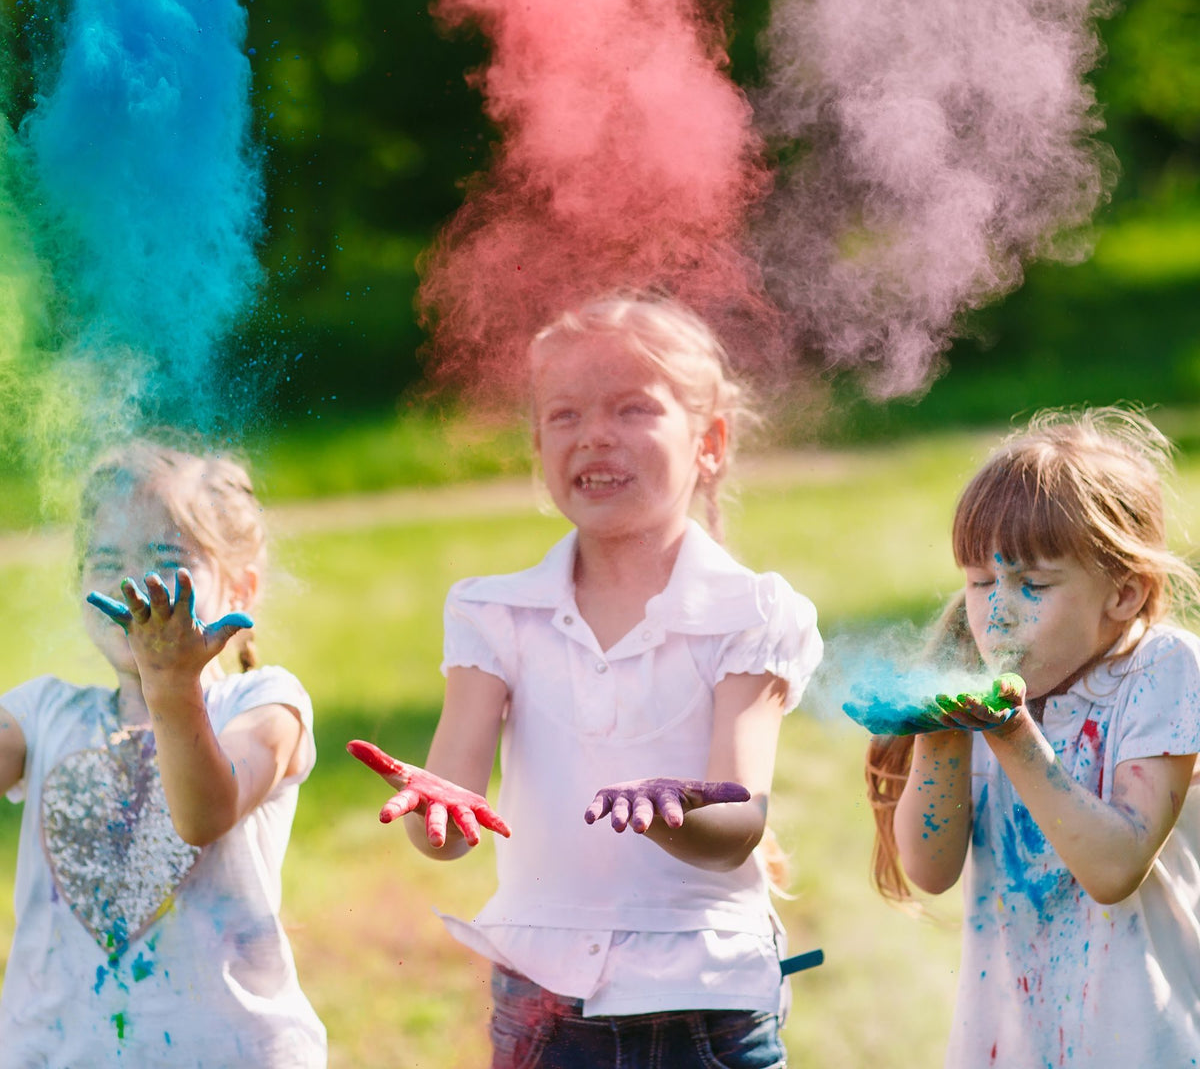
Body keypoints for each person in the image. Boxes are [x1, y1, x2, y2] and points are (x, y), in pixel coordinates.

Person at [351, 294, 823, 1068]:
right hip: (542, 1005)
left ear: (709, 442)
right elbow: (448, 822)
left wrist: (667, 811)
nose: (595, 435)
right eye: (564, 415)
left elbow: (738, 826)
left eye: (633, 408)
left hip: (703, 1004)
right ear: (538, 445)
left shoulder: (753, 613)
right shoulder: (493, 612)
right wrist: (434, 808)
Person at [866, 408, 1200, 1067]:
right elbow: (929, 872)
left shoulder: (1164, 670)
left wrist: (1012, 736)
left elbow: (1112, 869)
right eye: (981, 583)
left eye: (1033, 585)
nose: (996, 612)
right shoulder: (980, 695)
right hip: (1009, 1047)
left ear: (1123, 595)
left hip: (1146, 1047)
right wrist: (942, 736)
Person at [0, 441, 326, 1067]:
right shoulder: (42, 714)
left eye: (165, 559)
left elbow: (204, 814)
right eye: (105, 560)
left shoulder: (264, 704)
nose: (131, 583)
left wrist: (171, 686)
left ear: (240, 588)